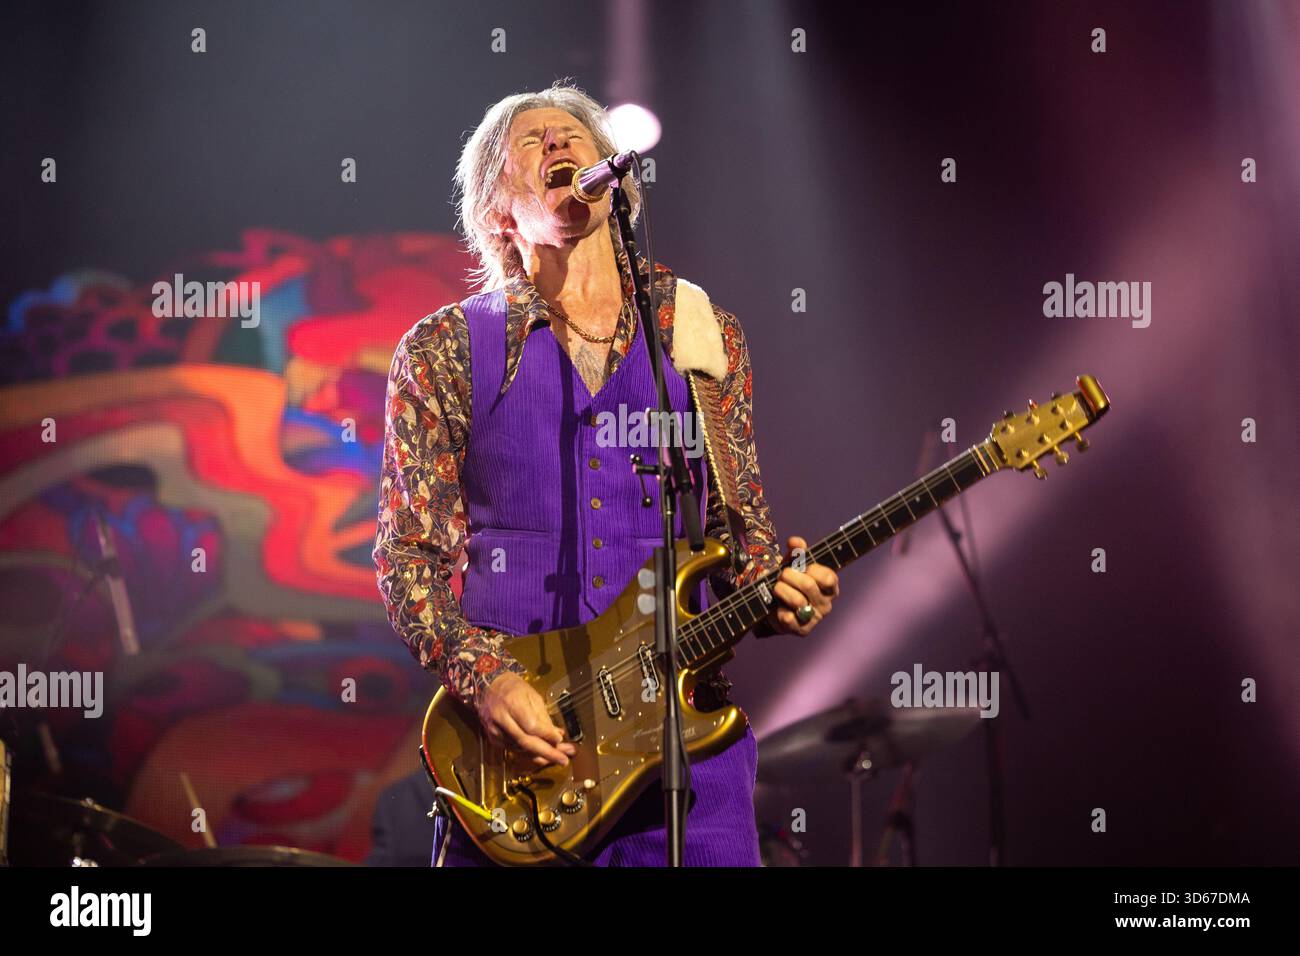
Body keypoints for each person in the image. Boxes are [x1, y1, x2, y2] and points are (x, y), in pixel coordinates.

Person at [373, 82, 839, 866]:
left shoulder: (699, 332)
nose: (559, 145)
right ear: (497, 212)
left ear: (614, 174)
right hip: (523, 764)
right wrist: (484, 679)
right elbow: (405, 559)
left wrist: (781, 588)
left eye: (573, 135)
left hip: (684, 762)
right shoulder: (444, 350)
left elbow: (740, 537)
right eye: (532, 141)